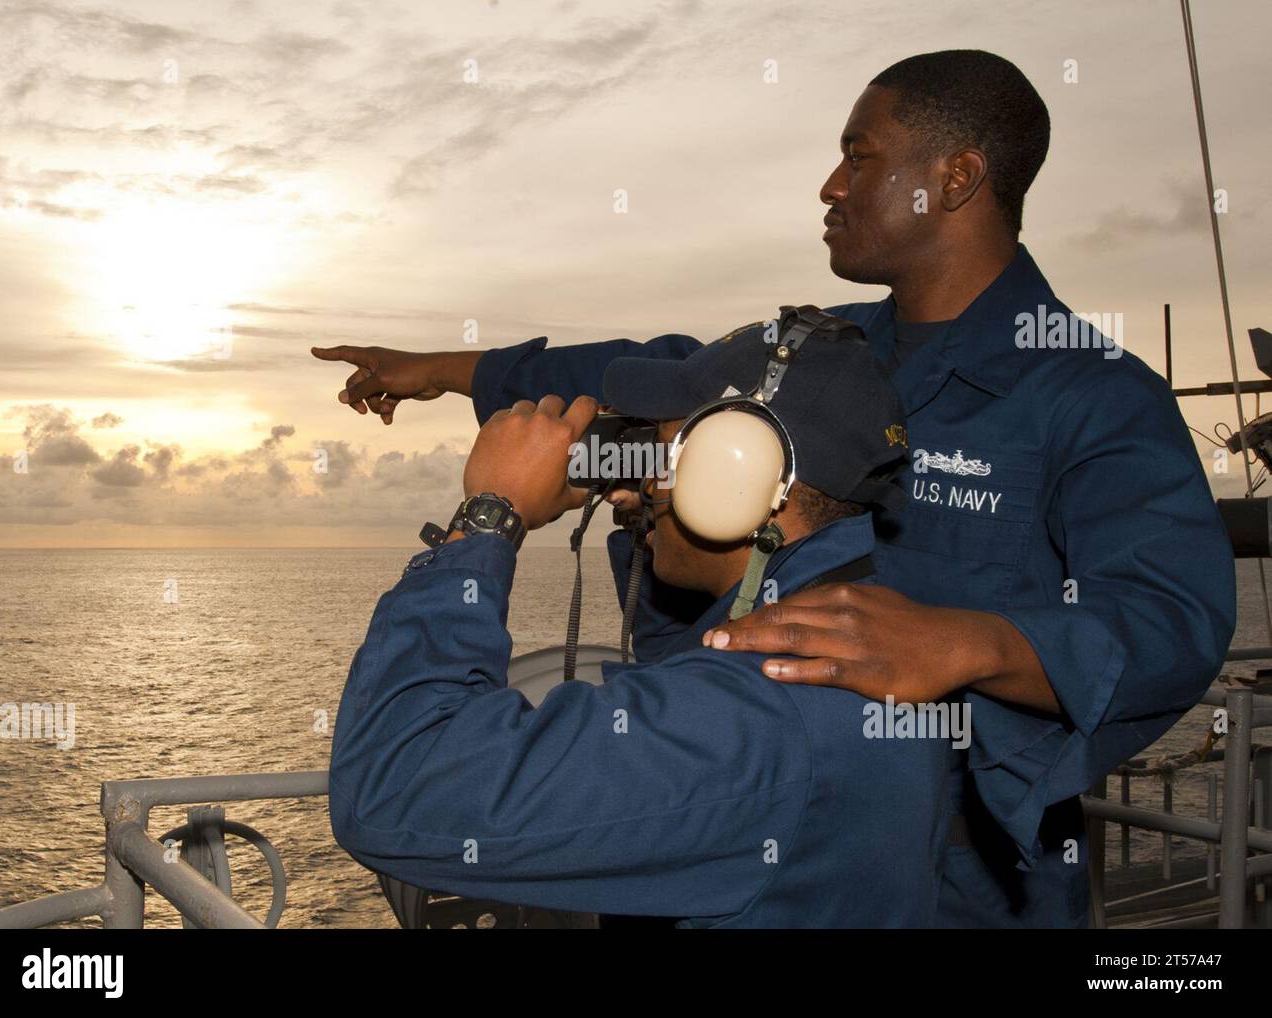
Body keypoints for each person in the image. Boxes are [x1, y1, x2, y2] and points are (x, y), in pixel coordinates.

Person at [314, 49, 1236, 927]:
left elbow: (1170, 619)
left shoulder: (1089, 392)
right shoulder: (824, 355)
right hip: (747, 836)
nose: (832, 187)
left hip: (976, 877)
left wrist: (972, 644)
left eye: (857, 156)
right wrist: (447, 368)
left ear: (954, 178)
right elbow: (649, 369)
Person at [328, 320, 960, 927]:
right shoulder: (855, 632)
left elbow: (395, 785)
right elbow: (683, 655)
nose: (644, 482)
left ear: (735, 475)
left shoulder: (756, 716)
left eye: (665, 453)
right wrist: (649, 522)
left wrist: (491, 516)